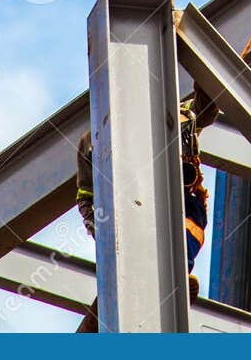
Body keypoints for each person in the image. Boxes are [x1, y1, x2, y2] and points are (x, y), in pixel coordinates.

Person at [74, 98, 208, 328]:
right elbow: (87, 196)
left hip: (166, 206)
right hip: (123, 215)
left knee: (192, 213)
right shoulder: (94, 141)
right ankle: (156, 270)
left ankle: (174, 268)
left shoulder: (172, 113)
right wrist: (104, 233)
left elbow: (207, 106)